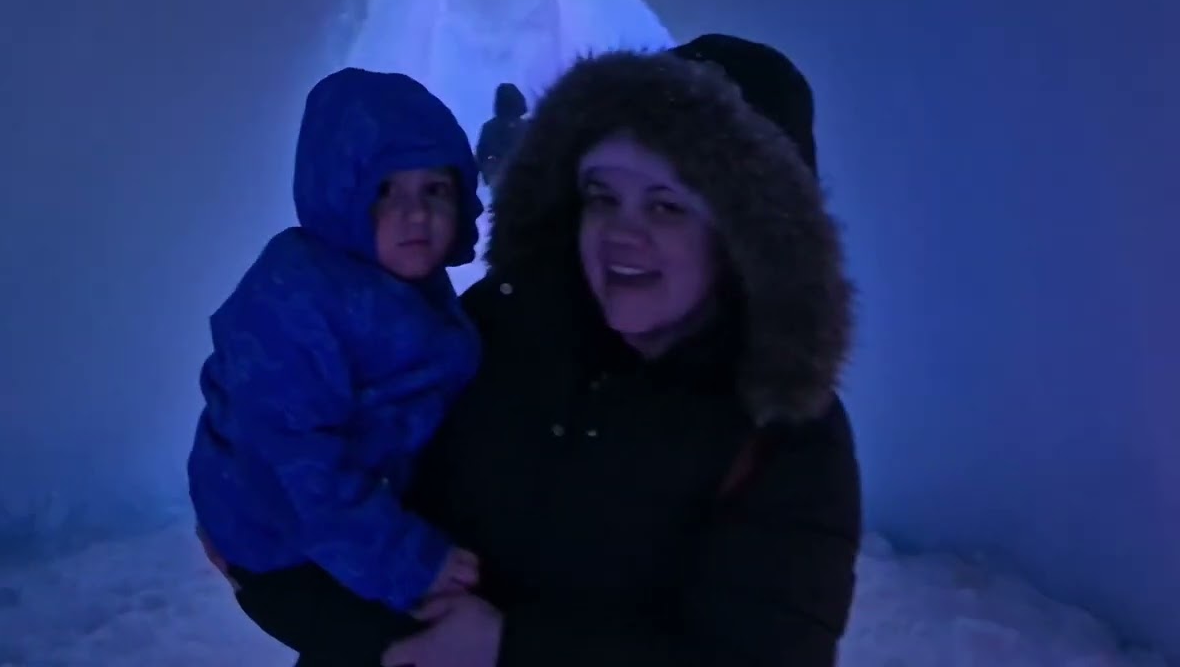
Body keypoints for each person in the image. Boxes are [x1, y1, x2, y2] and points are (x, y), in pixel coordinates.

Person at [202, 35, 861, 667]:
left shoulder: (785, 437)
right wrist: (270, 560)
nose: (621, 233)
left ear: (748, 236)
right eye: (603, 195)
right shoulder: (497, 327)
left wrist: (512, 651)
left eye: (666, 205)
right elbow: (353, 520)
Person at [186, 67, 487, 652]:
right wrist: (405, 560)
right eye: (385, 192)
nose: (417, 214)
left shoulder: (407, 284)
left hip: (341, 526)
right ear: (340, 192)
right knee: (410, 645)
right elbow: (299, 462)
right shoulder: (297, 297)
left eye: (436, 190)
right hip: (283, 548)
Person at [474, 82, 529, 189]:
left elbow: (480, 157)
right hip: (517, 180)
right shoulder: (527, 127)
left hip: (511, 181)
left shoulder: (489, 128)